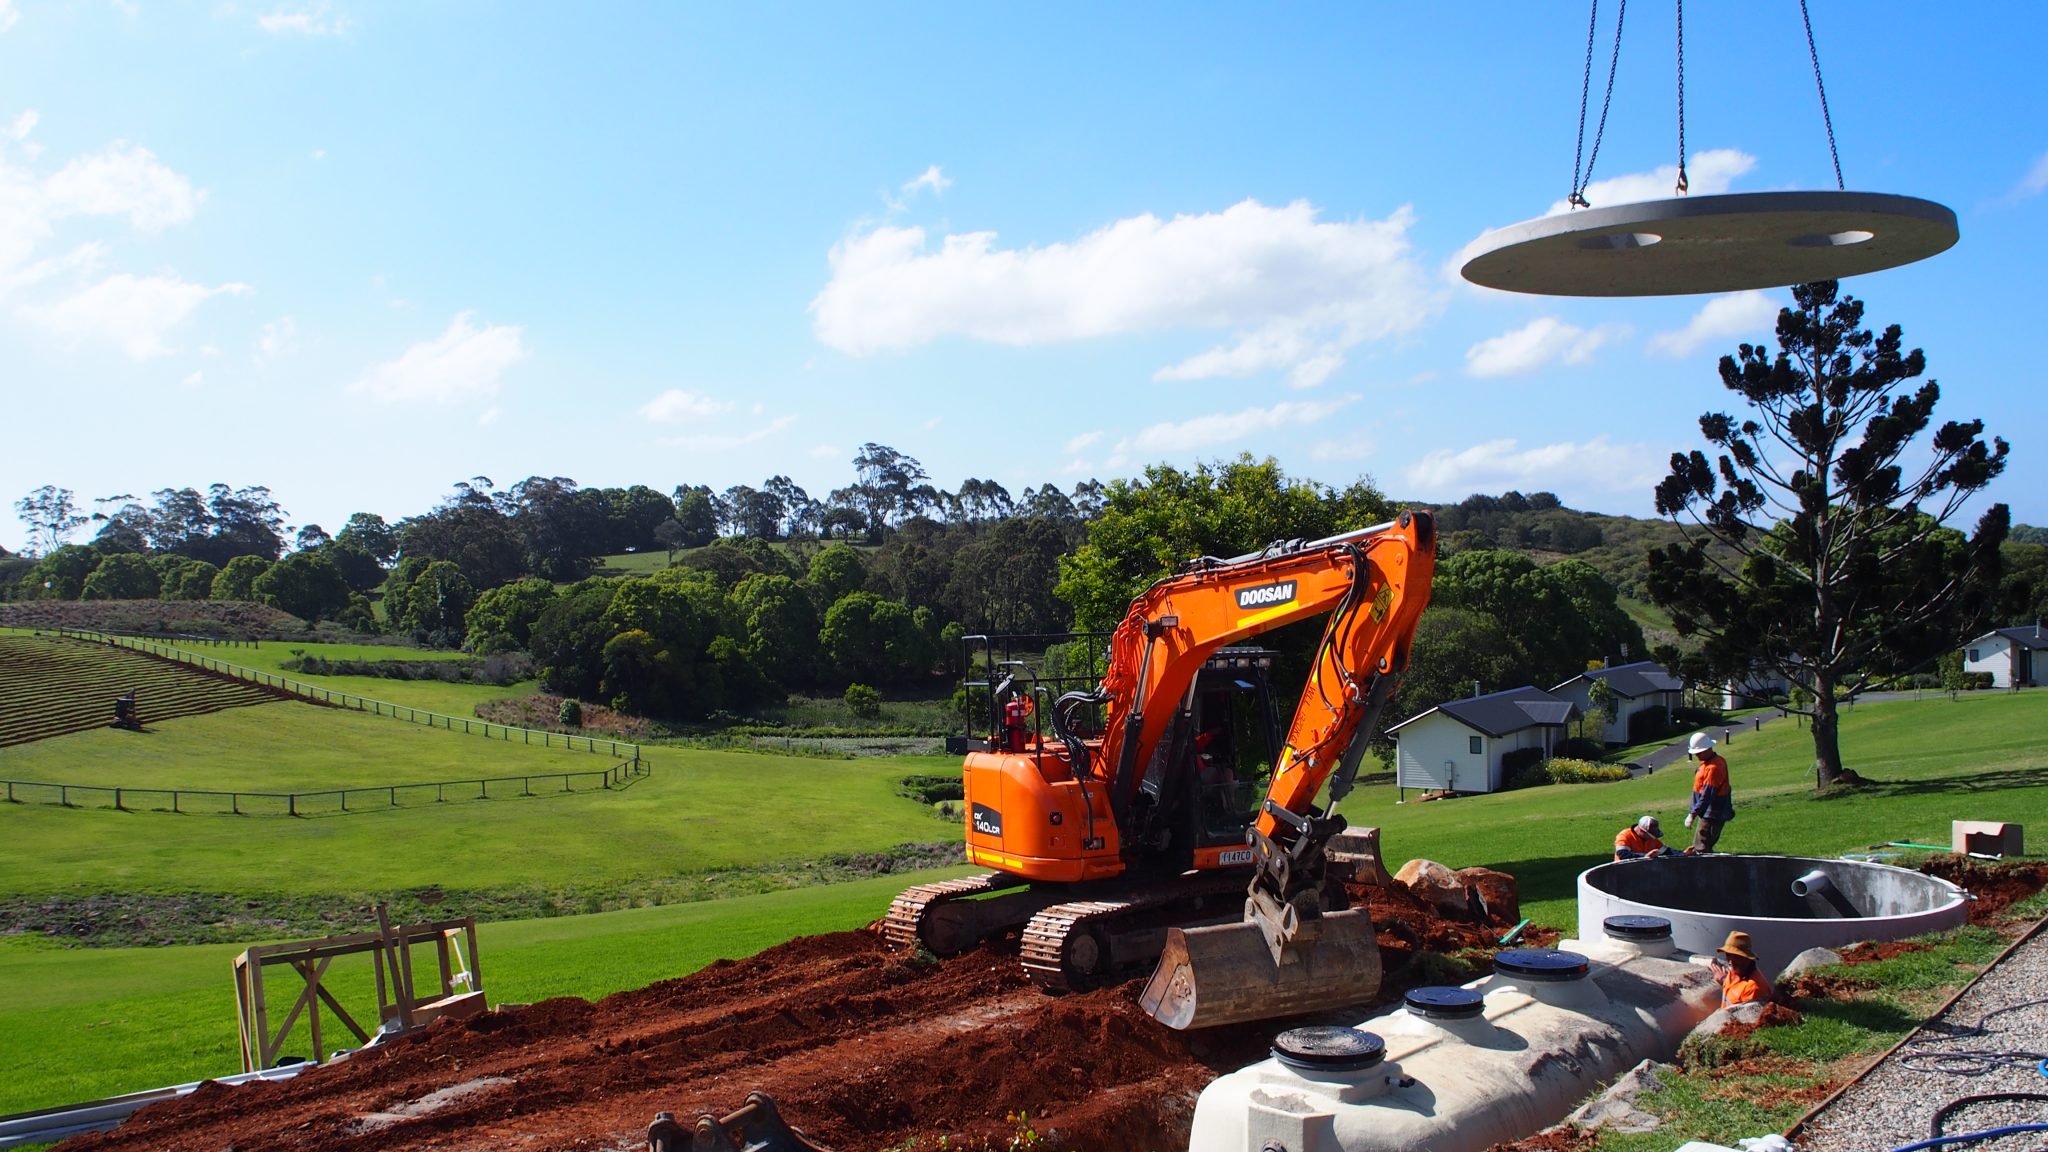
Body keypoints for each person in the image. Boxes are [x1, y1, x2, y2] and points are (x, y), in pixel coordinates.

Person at [1684, 732, 1734, 853]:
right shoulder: (1712, 762)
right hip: (1710, 812)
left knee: (1702, 845)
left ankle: (1703, 866)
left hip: (1712, 813)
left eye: (1699, 753)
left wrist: (1692, 814)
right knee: (1701, 842)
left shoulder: (1713, 767)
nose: (1697, 755)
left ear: (1707, 749)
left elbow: (1707, 795)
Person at [1709, 930, 1770, 1006]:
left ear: (1746, 957)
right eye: (1728, 955)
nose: (1730, 962)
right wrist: (1723, 979)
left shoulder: (1753, 989)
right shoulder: (1737, 969)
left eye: (1736, 957)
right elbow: (1733, 989)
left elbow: (1743, 1016)